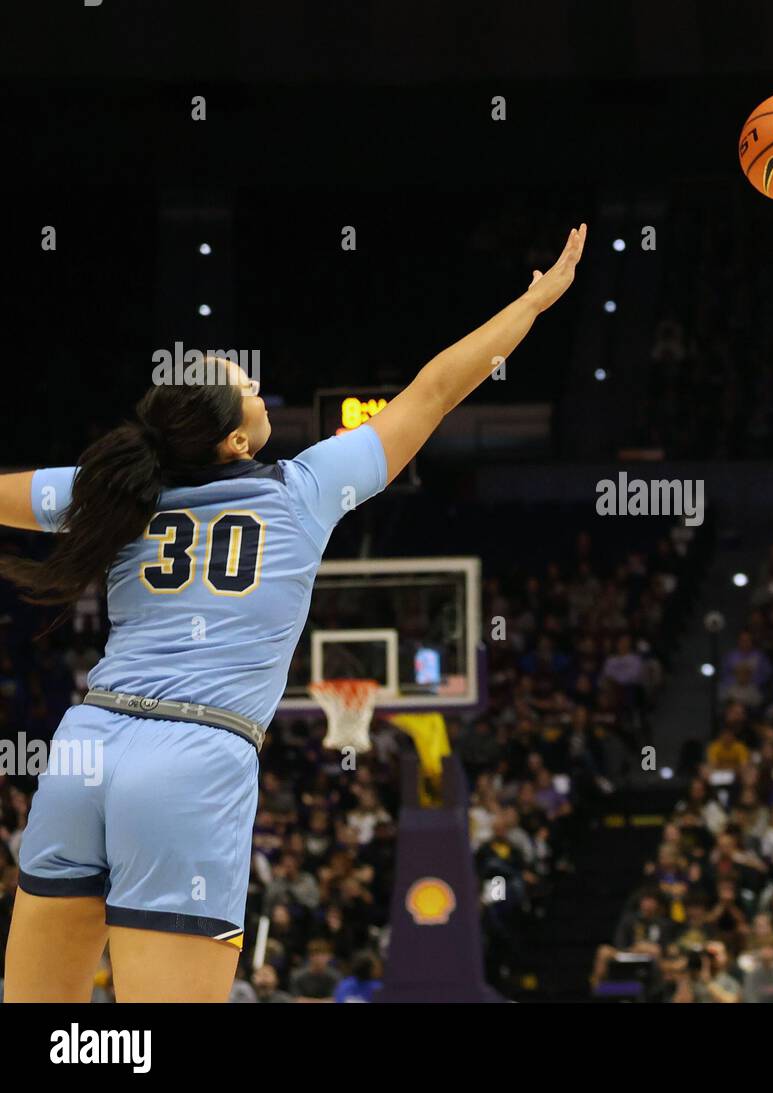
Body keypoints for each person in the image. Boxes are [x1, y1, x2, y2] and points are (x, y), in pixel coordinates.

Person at [1, 225, 586, 1002]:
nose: (253, 379)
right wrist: (536, 302)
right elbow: (438, 388)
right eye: (243, 383)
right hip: (191, 756)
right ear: (237, 438)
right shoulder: (301, 489)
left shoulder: (114, 493)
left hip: (87, 744)